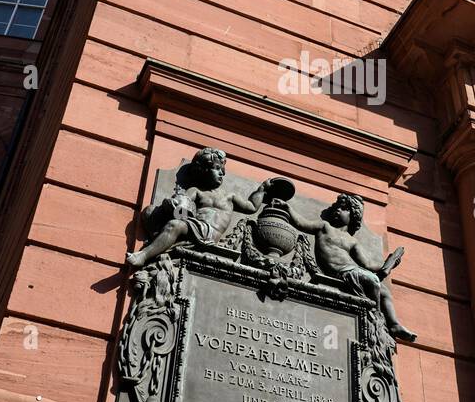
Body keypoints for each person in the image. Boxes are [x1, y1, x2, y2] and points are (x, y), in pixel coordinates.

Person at [280, 192, 416, 343]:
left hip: (352, 270)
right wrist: (288, 209)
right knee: (373, 281)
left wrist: (388, 264)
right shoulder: (324, 227)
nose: (338, 210)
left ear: (354, 216)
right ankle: (375, 317)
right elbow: (301, 223)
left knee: (384, 291)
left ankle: (393, 323)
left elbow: (368, 264)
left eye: (344, 208)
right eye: (337, 207)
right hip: (341, 272)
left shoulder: (352, 241)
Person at [126, 147, 270, 269]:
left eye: (222, 170)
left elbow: (251, 207)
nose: (222, 173)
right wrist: (170, 204)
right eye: (217, 168)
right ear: (203, 171)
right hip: (196, 226)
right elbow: (182, 206)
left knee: (175, 225)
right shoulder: (196, 191)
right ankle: (160, 245)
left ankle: (144, 255)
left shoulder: (229, 196)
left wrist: (262, 190)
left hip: (209, 233)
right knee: (150, 211)